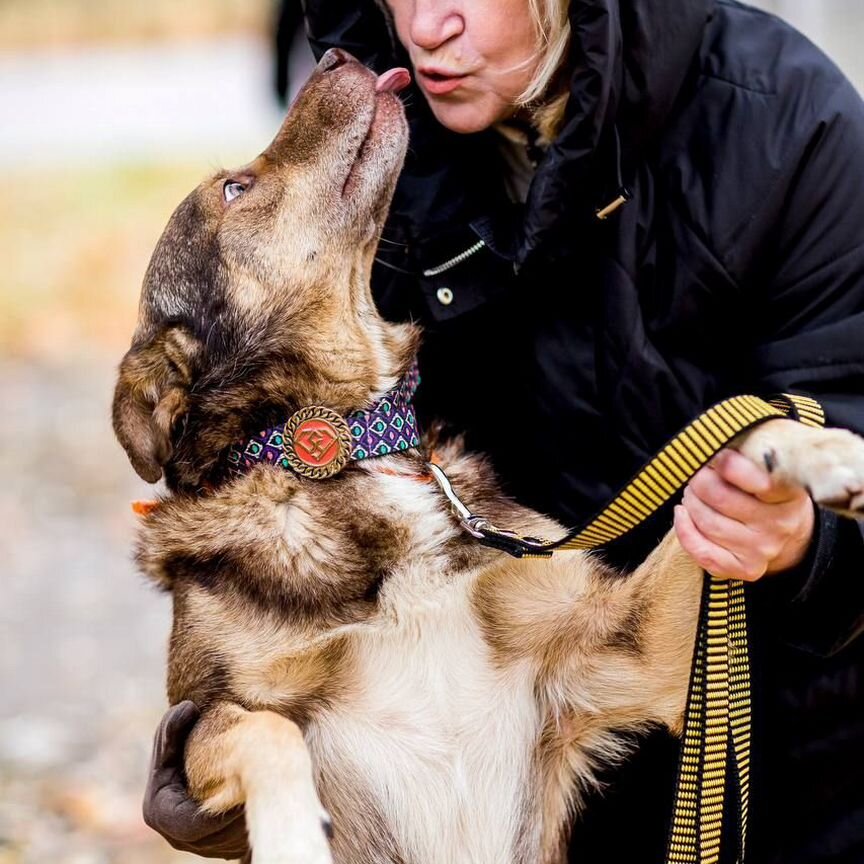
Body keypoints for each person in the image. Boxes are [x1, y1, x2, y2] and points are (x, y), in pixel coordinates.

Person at [141, 1, 864, 861]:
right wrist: (242, 790)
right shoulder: (379, 158)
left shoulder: (786, 123)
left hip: (788, 770)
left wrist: (805, 542)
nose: (424, 27)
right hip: (562, 736)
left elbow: (842, 428)